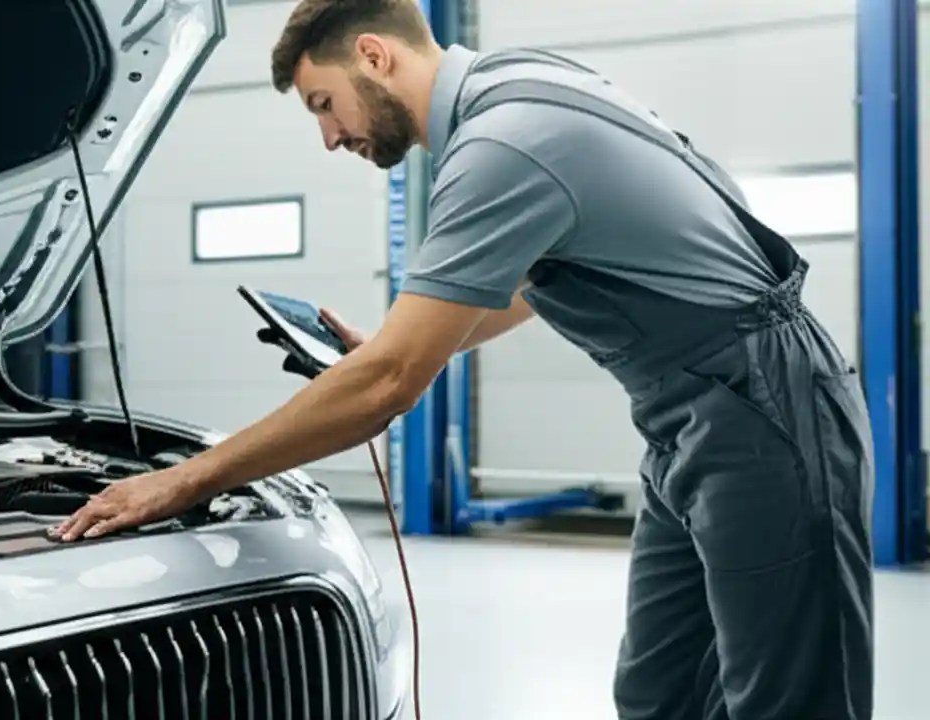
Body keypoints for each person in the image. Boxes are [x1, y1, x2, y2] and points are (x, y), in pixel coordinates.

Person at [52, 1, 875, 717]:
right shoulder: (514, 85)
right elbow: (527, 280)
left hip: (765, 408)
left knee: (789, 699)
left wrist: (186, 478)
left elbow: (384, 390)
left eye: (324, 104)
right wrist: (402, 341)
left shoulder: (500, 145)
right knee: (660, 694)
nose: (331, 136)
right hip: (691, 420)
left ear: (374, 55)